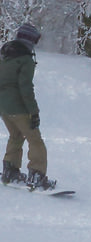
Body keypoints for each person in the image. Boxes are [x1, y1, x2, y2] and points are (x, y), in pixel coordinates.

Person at [0, 23, 51, 191]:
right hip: (19, 107)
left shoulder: (5, 55)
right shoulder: (26, 59)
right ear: (30, 40)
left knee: (16, 136)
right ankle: (37, 176)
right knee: (35, 140)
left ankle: (10, 171)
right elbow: (25, 88)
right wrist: (33, 112)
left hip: (3, 107)